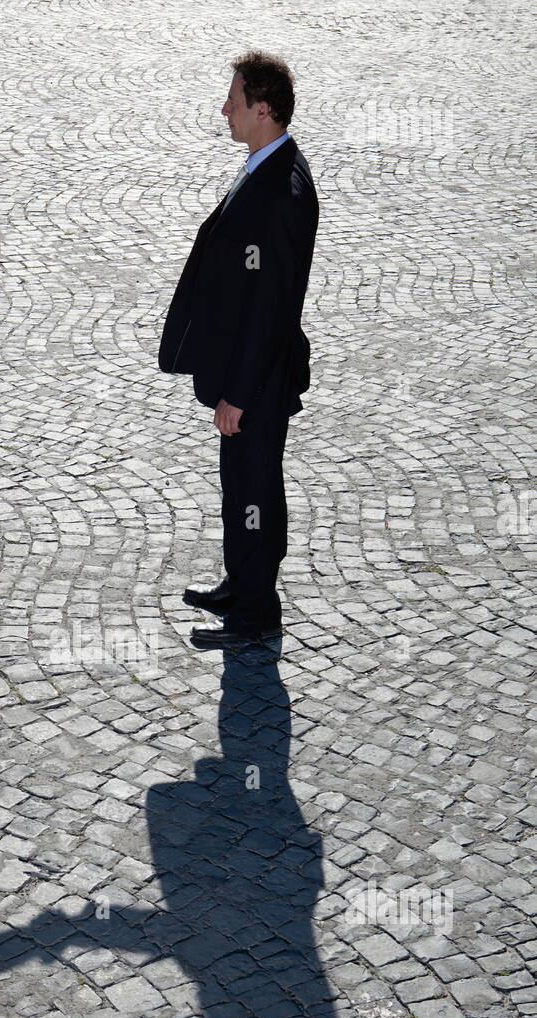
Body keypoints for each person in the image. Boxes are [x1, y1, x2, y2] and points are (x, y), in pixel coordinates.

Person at [158, 50, 318, 647]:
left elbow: (270, 312)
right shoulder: (262, 166)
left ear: (265, 109)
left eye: (235, 100)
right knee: (240, 483)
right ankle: (240, 584)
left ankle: (257, 610)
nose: (225, 109)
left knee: (255, 488)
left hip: (257, 381)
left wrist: (239, 393)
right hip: (244, 375)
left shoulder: (281, 193)